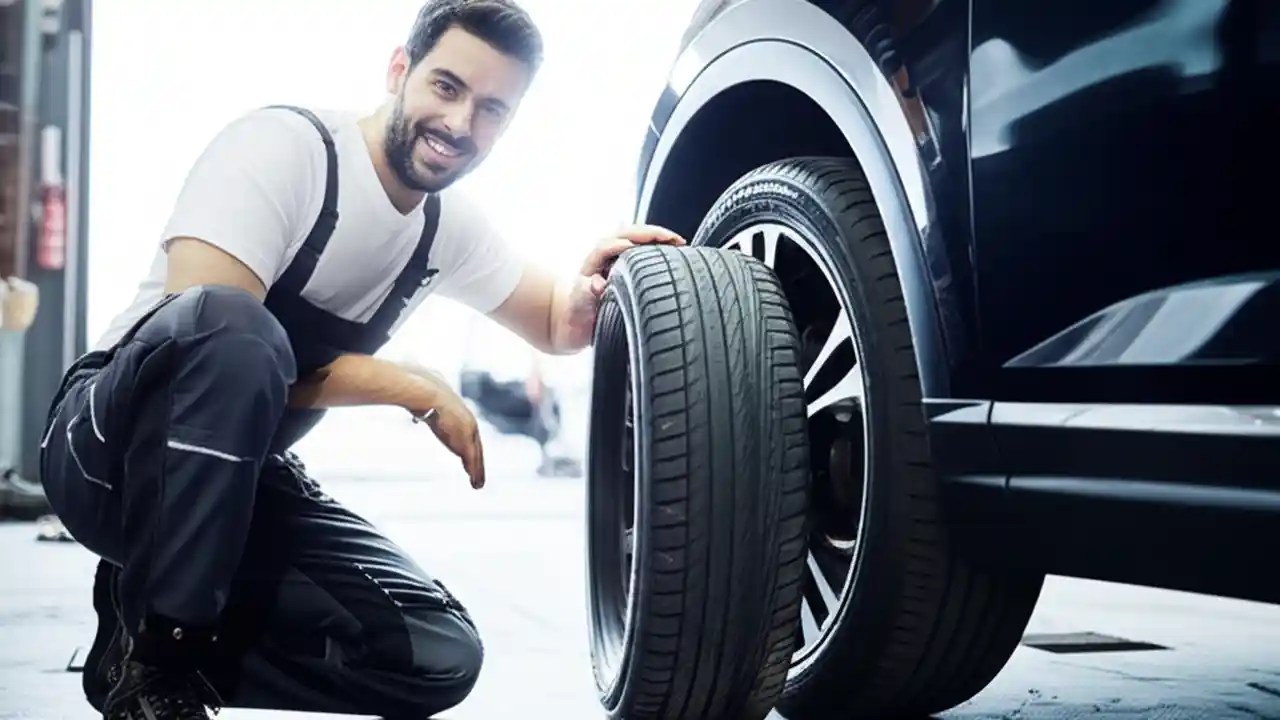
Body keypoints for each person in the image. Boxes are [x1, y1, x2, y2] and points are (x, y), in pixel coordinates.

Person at [37, 2, 684, 718]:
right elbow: (206, 342)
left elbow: (558, 319)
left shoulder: (444, 229)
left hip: (237, 486)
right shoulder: (283, 151)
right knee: (234, 327)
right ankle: (162, 665)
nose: (462, 125)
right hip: (108, 457)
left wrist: (602, 282)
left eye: (493, 109)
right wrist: (408, 385)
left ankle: (135, 639)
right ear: (399, 69)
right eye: (447, 87)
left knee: (436, 654)